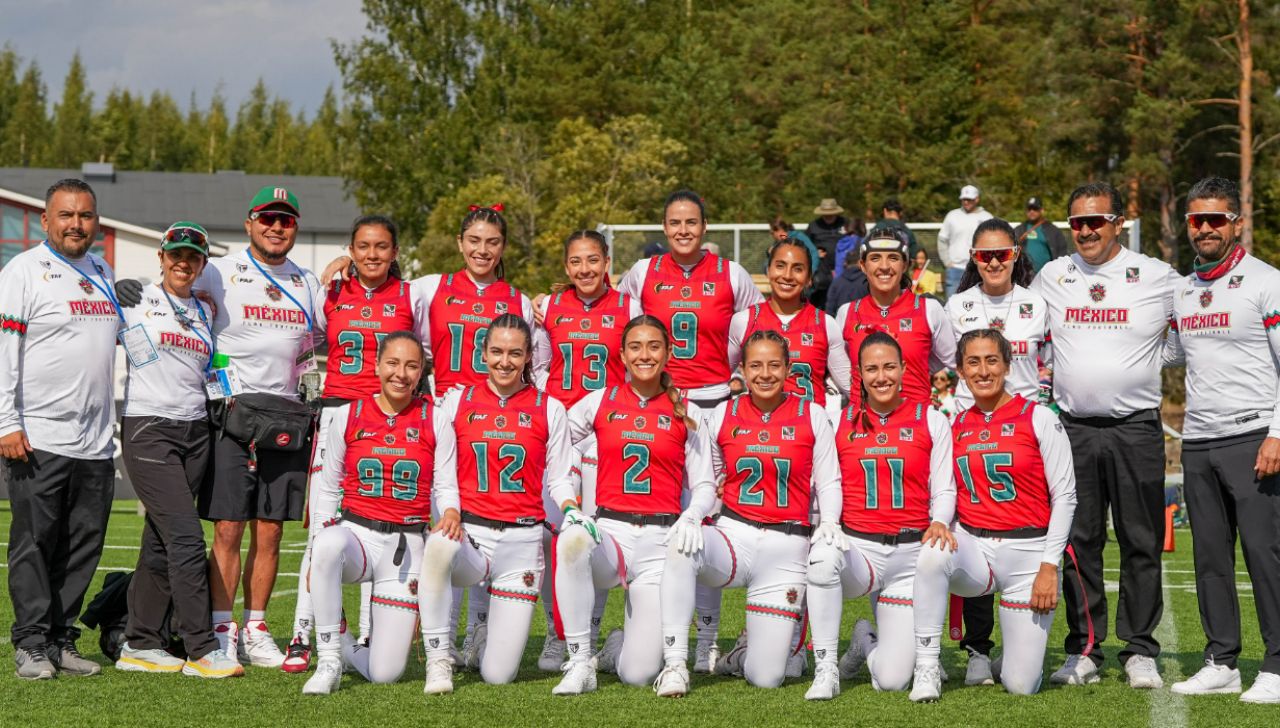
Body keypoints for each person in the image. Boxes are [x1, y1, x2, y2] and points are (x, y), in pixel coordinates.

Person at [1031, 181, 1178, 689]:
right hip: (1072, 428)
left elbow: (1193, 327)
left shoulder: (1158, 276)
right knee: (1079, 541)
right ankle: (1085, 647)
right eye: (1077, 222)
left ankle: (1140, 649)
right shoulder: (1053, 274)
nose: (1086, 230)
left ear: (1119, 223)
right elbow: (1023, 330)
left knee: (1142, 539)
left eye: (1096, 220)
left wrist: (1151, 362)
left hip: (1137, 427)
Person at [615, 189, 763, 670]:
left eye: (692, 223)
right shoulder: (643, 272)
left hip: (715, 405)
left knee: (703, 523)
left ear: (705, 227)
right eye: (675, 222)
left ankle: (706, 640)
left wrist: (739, 376)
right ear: (664, 227)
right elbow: (621, 328)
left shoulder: (730, 274)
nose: (683, 230)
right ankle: (646, 628)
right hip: (660, 403)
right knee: (655, 515)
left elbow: (755, 330)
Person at [657, 330, 841, 696]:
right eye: (755, 365)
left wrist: (830, 522)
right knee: (682, 542)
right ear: (741, 369)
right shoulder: (725, 411)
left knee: (767, 677)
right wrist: (694, 514)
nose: (765, 373)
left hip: (786, 546)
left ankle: (740, 655)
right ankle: (676, 662)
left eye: (774, 364)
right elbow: (707, 480)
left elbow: (829, 481)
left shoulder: (812, 413)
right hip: (733, 537)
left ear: (789, 368)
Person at [196, 186, 326, 668]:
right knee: (229, 528)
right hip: (234, 415)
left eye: (286, 221)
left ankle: (255, 626)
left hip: (289, 415)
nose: (276, 227)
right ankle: (220, 629)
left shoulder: (309, 281)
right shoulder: (219, 270)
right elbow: (175, 296)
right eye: (268, 218)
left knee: (269, 532)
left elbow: (331, 334)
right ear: (250, 223)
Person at [552, 316, 716, 694]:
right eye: (636, 347)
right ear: (623, 355)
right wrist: (570, 506)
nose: (645, 355)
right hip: (610, 533)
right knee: (571, 541)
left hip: (660, 541)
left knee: (638, 674)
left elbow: (705, 483)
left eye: (654, 346)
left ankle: (613, 651)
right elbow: (556, 450)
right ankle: (580, 661)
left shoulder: (687, 411)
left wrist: (692, 514)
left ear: (668, 352)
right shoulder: (599, 401)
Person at [285, 215, 421, 673]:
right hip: (339, 414)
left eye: (381, 247)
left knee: (377, 520)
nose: (371, 255)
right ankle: (303, 631)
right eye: (362, 247)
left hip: (392, 417)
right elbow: (302, 336)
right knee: (324, 524)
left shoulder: (410, 295)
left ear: (395, 252)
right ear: (351, 248)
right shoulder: (331, 292)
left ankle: (368, 630)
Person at [1162, 177, 1280, 703]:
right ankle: (1221, 660)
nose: (1205, 228)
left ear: (1237, 223)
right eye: (1196, 219)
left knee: (1265, 554)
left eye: (1216, 218)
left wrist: (1277, 433)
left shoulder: (1267, 282)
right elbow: (1167, 355)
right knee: (1209, 556)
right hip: (1199, 440)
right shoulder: (1183, 289)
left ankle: (1276, 665)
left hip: (1255, 435)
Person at [911, 328, 1077, 701]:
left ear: (1007, 366)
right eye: (973, 362)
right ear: (960, 370)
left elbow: (1065, 496)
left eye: (991, 360)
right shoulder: (956, 425)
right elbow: (947, 489)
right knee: (931, 553)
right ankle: (925, 665)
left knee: (1021, 685)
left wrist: (1050, 566)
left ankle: (1015, 655)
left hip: (1028, 553)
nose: (983, 371)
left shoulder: (1038, 417)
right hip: (977, 549)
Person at [1, 179, 119, 679]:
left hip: (95, 441)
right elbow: (4, 352)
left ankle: (60, 638)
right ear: (47, 221)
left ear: (96, 221)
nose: (76, 224)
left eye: (86, 216)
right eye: (66, 215)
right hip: (38, 436)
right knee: (34, 543)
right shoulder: (22, 272)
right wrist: (6, 420)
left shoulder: (104, 271)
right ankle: (28, 642)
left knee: (83, 544)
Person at [300, 332, 461, 695]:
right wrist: (316, 552)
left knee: (385, 672)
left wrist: (450, 511)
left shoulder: (435, 419)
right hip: (357, 536)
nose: (400, 373)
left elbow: (447, 483)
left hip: (405, 545)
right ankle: (328, 660)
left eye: (411, 365)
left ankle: (344, 643)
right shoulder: (347, 415)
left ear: (421, 372)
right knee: (326, 545)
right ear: (376, 366)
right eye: (393, 363)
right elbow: (327, 490)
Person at [113, 222, 241, 679]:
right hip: (149, 427)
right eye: (175, 254)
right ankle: (201, 648)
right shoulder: (134, 300)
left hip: (195, 431)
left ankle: (141, 642)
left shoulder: (204, 310)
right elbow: (82, 328)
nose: (183, 263)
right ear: (161, 257)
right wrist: (111, 291)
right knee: (187, 537)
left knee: (161, 541)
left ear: (202, 264)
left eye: (193, 257)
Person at [424, 314, 578, 692]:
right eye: (496, 351)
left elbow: (558, 477)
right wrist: (450, 511)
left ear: (528, 356)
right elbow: (441, 470)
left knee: (498, 675)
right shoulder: (458, 399)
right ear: (483, 353)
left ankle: (479, 645)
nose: (504, 361)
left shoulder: (550, 407)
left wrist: (572, 510)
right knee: (439, 544)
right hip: (471, 533)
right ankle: (438, 657)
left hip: (521, 541)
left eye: (514, 353)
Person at [803, 331, 955, 701]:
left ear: (904, 369)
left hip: (907, 557)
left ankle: (866, 641)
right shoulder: (837, 420)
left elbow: (945, 487)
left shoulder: (931, 418)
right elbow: (822, 479)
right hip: (860, 551)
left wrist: (939, 519)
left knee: (890, 680)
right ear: (859, 374)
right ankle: (825, 670)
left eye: (889, 367)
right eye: (872, 369)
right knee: (822, 558)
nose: (881, 376)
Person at [943, 218, 1052, 684]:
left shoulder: (1037, 303)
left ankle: (1028, 643)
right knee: (975, 536)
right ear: (972, 257)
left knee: (1027, 534)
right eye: (984, 255)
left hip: (1026, 432)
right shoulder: (957, 305)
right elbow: (945, 370)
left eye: (1001, 253)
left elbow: (1052, 367)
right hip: (970, 434)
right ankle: (976, 648)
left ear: (1015, 255)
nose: (992, 261)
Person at [531, 230, 641, 670]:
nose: (584, 270)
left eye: (592, 260)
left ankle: (590, 631)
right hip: (560, 437)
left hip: (605, 435)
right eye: (575, 262)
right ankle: (558, 632)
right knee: (549, 536)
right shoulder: (551, 307)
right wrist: (551, 413)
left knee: (592, 536)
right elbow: (538, 365)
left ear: (608, 261)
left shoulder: (628, 308)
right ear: (565, 266)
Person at [834, 228, 956, 410]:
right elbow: (843, 370)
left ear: (905, 264)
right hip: (864, 426)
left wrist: (918, 371)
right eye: (875, 258)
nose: (884, 266)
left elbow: (953, 360)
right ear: (862, 265)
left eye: (893, 258)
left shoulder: (929, 309)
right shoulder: (847, 313)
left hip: (916, 425)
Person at [728, 235, 851, 411]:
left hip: (810, 433)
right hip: (760, 432)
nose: (787, 275)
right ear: (768, 270)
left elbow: (851, 388)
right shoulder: (744, 320)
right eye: (780, 266)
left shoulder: (825, 324)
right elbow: (719, 379)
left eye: (797, 269)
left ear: (809, 278)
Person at [937, 185, 993, 297]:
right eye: (964, 199)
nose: (966, 202)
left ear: (977, 199)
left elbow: (992, 244)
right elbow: (942, 240)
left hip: (979, 268)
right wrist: (947, 262)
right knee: (952, 306)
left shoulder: (987, 217)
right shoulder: (952, 215)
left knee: (979, 306)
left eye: (969, 199)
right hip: (955, 270)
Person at [805, 198, 848, 309]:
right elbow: (805, 245)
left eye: (831, 214)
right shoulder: (814, 226)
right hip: (822, 272)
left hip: (843, 269)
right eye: (826, 214)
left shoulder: (845, 223)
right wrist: (815, 252)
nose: (828, 217)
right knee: (821, 302)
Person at [1013, 197, 1068, 275]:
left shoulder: (1053, 230)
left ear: (1041, 210)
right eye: (1029, 209)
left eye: (1035, 208)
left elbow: (1062, 253)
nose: (1032, 211)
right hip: (1024, 276)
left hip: (1047, 276)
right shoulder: (1018, 230)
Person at [825, 249, 869, 317]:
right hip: (863, 323)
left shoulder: (837, 282)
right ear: (860, 263)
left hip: (841, 324)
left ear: (845, 263)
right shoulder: (867, 282)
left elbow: (829, 309)